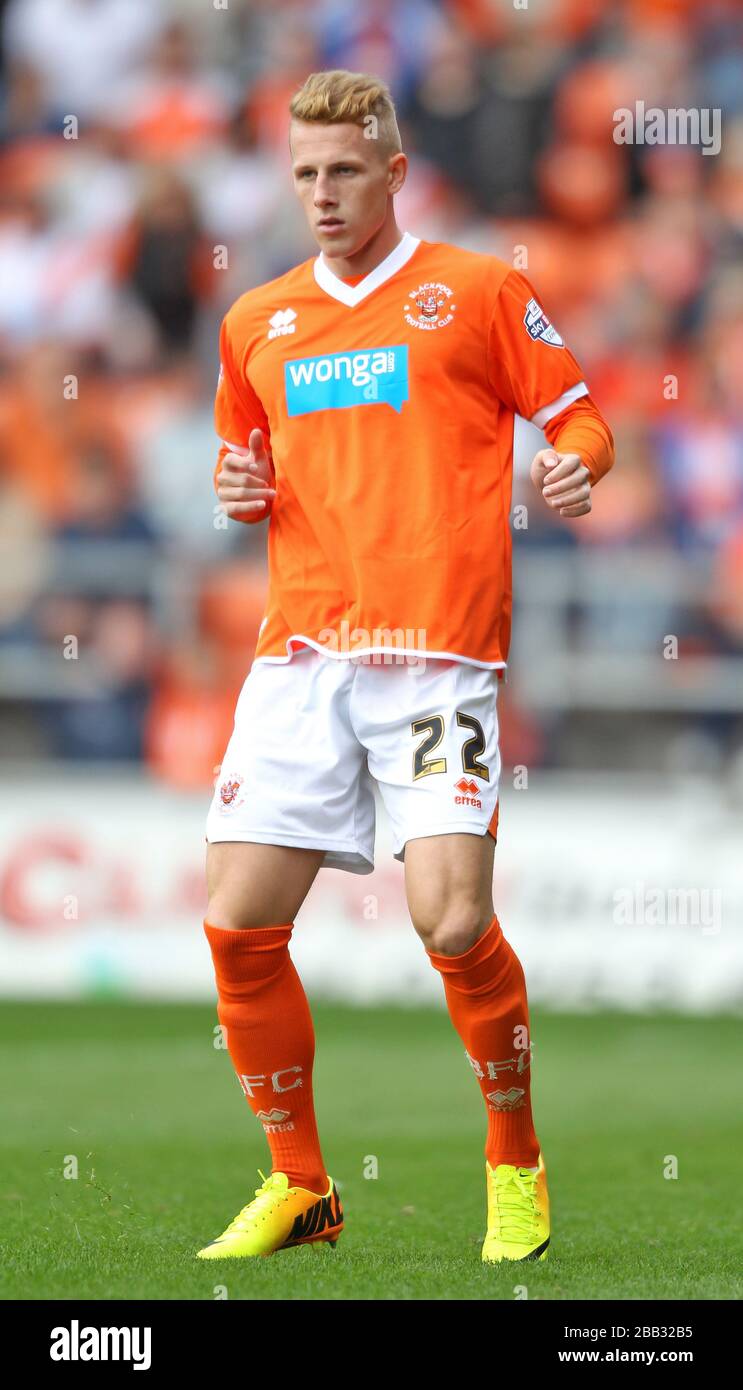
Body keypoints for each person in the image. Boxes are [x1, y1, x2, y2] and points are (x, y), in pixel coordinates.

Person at [197, 69, 614, 1264]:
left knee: (449, 919)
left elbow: (579, 413)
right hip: (301, 651)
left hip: (437, 657)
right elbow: (244, 467)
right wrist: (236, 490)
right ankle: (301, 1187)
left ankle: (513, 1163)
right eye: (302, 173)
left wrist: (575, 465)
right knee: (236, 921)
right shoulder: (255, 323)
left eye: (341, 171)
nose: (320, 194)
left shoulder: (476, 290)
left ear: (392, 169)